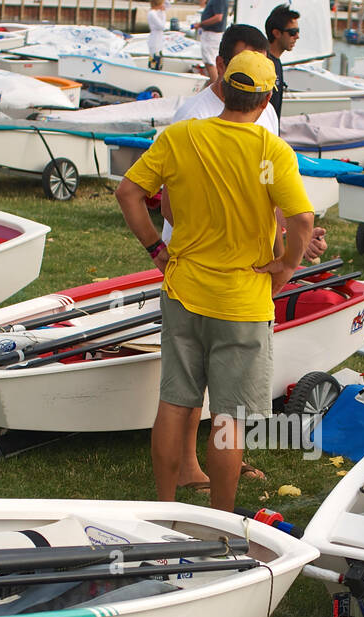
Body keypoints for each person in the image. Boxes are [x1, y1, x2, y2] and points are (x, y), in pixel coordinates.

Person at [116, 51, 315, 513]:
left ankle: (164, 509)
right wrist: (286, 266)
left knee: (174, 404)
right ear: (266, 99)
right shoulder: (270, 151)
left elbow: (129, 192)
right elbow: (302, 219)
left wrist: (155, 249)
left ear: (222, 87)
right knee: (229, 422)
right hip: (243, 306)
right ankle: (222, 519)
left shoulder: (181, 136)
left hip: (184, 292)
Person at [264, 4, 298, 119]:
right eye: (293, 32)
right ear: (277, 33)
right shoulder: (265, 64)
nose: (297, 36)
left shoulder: (276, 62)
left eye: (298, 31)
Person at [196, 0, 227, 79]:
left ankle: (216, 85)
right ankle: (213, 84)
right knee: (209, 61)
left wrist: (201, 24)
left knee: (210, 62)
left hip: (212, 35)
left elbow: (218, 17)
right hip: (211, 34)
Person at [146, 0, 167, 71]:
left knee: (159, 61)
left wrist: (162, 12)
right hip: (155, 40)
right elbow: (162, 26)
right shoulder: (152, 13)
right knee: (155, 61)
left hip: (159, 39)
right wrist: (163, 13)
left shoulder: (156, 12)